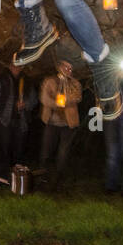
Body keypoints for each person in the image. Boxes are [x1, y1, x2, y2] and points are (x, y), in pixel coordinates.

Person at [38, 58, 82, 190]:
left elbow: (77, 97)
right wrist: (59, 103)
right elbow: (45, 99)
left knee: (63, 153)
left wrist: (61, 100)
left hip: (68, 124)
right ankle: (43, 177)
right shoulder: (50, 81)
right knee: (46, 151)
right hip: (51, 122)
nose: (69, 70)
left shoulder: (75, 83)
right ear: (60, 67)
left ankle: (59, 180)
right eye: (66, 67)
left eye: (71, 69)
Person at [0, 62, 36, 186]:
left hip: (21, 121)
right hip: (4, 121)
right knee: (3, 149)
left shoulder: (27, 81)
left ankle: (18, 180)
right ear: (9, 66)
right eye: (14, 65)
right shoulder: (2, 79)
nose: (17, 68)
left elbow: (33, 100)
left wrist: (25, 104)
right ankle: (1, 178)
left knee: (19, 149)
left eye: (19, 65)